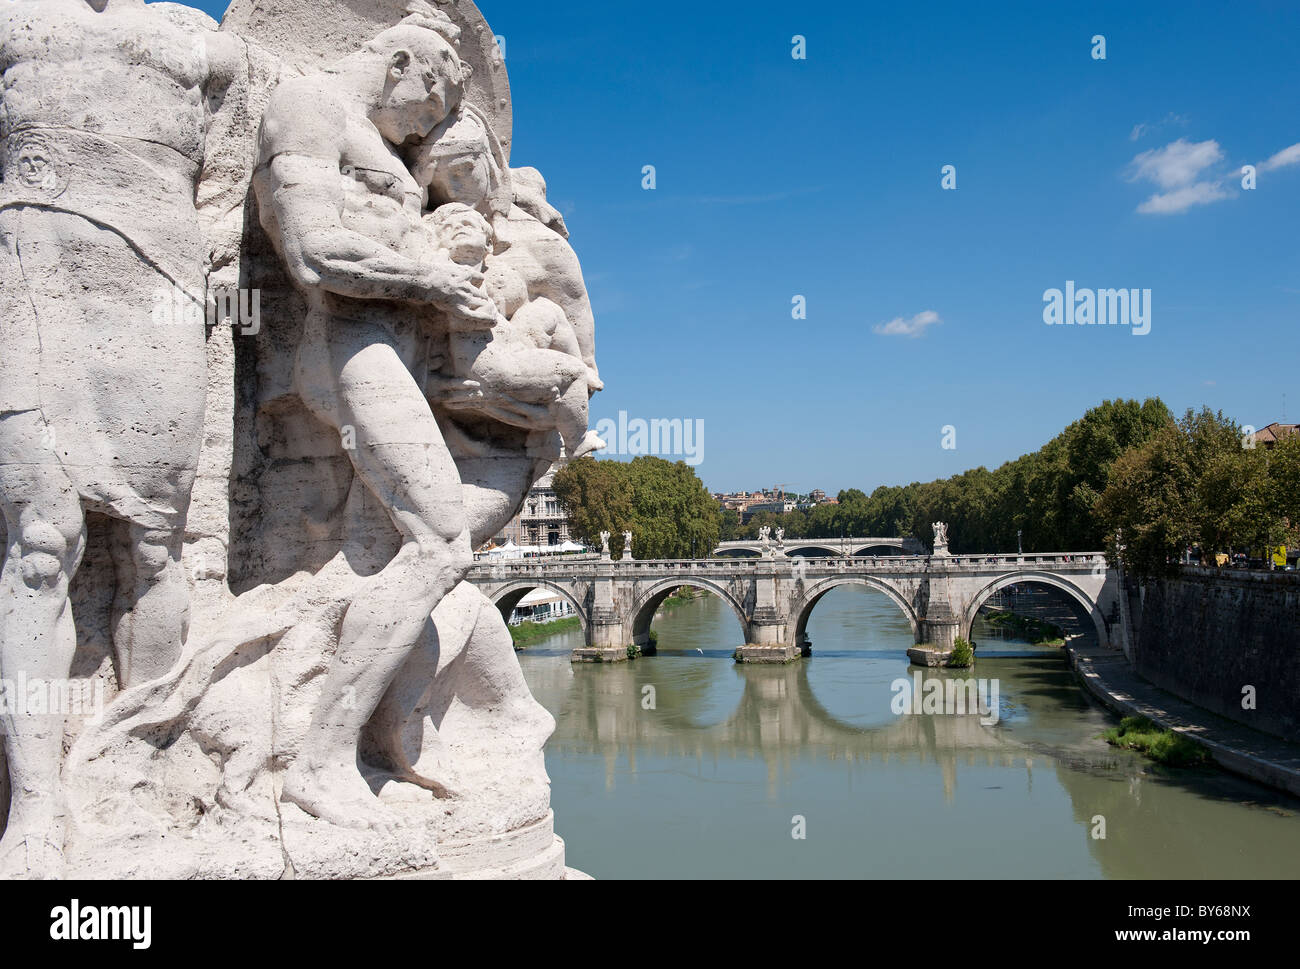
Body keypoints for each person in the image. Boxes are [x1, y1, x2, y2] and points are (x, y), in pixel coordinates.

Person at [0, 0, 243, 877]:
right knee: (38, 545)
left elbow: (225, 193)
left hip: (160, 289)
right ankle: (35, 803)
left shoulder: (204, 46)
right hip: (31, 270)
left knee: (155, 545)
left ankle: (134, 763)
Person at [253, 10, 494, 831]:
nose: (426, 132)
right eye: (430, 110)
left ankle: (370, 739)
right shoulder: (308, 106)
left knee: (394, 550)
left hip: (388, 352)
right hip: (343, 346)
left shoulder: (371, 141)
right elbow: (314, 250)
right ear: (406, 64)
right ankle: (318, 760)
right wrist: (432, 279)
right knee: (442, 538)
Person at [424, 203, 604, 461]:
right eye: (448, 228)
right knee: (571, 373)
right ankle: (577, 440)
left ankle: (578, 378)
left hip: (505, 345)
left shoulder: (490, 272)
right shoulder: (443, 266)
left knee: (547, 310)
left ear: (488, 245)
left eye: (467, 225)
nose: (458, 230)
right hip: (489, 362)